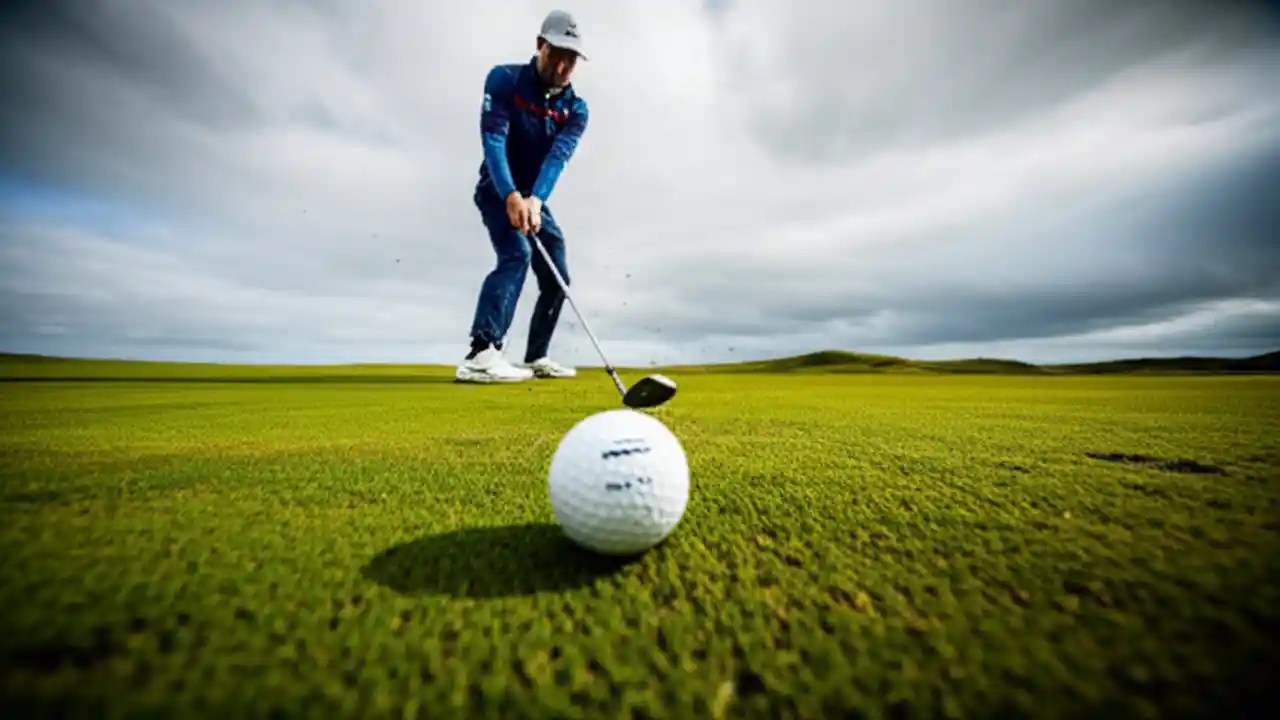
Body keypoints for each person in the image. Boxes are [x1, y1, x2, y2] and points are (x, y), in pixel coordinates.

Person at [456, 10, 589, 384]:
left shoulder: (576, 110)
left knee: (557, 275)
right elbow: (493, 139)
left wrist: (536, 200)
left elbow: (556, 158)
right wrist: (511, 194)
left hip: (533, 198)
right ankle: (482, 352)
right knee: (517, 254)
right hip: (496, 188)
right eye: (558, 53)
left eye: (572, 58)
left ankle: (536, 356)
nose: (564, 65)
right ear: (540, 45)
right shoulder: (504, 80)